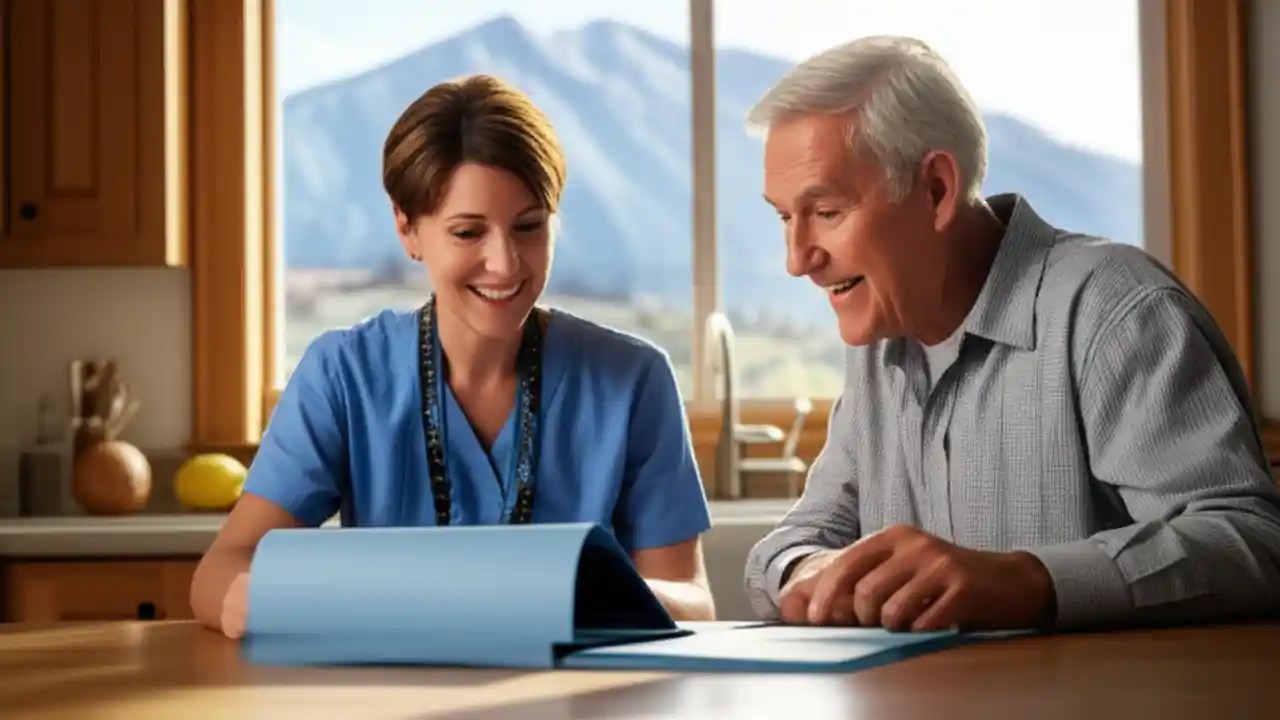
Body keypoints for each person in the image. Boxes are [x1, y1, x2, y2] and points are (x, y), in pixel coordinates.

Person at [743, 35, 1280, 632]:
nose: (797, 259)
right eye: (786, 216)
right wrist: (809, 570)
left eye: (827, 212)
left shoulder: (1114, 309)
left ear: (937, 190)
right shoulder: (880, 342)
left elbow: (1254, 544)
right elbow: (792, 546)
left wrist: (1026, 581)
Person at [191, 74, 715, 638]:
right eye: (468, 232)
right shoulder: (342, 375)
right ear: (407, 229)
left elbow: (692, 603)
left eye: (530, 227)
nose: (506, 263)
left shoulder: (634, 381)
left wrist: (568, 594)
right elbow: (223, 567)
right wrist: (255, 599)